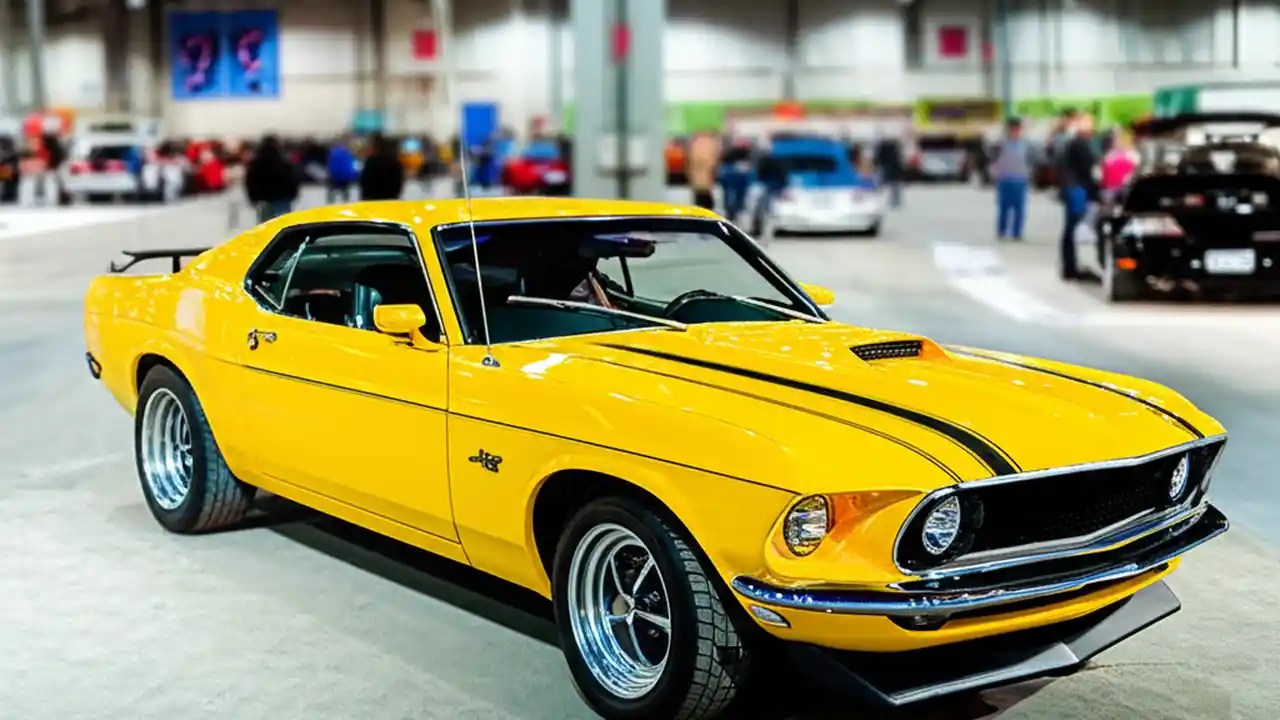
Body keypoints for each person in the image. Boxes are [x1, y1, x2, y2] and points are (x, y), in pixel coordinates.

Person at [1058, 113, 1099, 280]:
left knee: (1071, 229)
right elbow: (1087, 170)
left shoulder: (1074, 144)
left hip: (1073, 190)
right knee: (1073, 229)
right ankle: (1070, 267)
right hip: (1077, 191)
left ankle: (1070, 266)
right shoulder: (1079, 144)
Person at [990, 117, 1034, 242]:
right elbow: (992, 156)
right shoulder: (1000, 143)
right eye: (1013, 129)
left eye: (1018, 129)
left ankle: (1017, 232)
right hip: (1005, 178)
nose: (1015, 131)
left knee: (1019, 208)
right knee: (1004, 207)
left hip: (1020, 178)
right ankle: (1002, 230)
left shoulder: (1026, 144)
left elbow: (1032, 159)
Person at [245, 134, 300, 223]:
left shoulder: (256, 163)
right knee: (283, 224)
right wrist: (292, 194)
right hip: (282, 198)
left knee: (266, 227)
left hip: (264, 200)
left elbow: (250, 181)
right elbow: (292, 179)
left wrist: (253, 198)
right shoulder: (283, 162)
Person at [359, 133, 405, 201]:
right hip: (390, 201)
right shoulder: (395, 162)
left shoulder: (371, 162)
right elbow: (398, 184)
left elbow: (364, 182)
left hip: (372, 202)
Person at [719, 138, 753, 223]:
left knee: (731, 195)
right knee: (737, 196)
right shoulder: (745, 156)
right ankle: (734, 211)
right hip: (737, 179)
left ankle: (732, 212)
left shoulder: (730, 156)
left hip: (733, 179)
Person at [687, 131, 721, 211]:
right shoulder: (709, 145)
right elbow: (713, 165)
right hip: (705, 182)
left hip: (698, 181)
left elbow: (690, 162)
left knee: (700, 201)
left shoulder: (695, 145)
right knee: (707, 203)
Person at [873, 135, 904, 208]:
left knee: (890, 185)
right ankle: (894, 201)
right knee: (894, 186)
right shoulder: (893, 151)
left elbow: (877, 159)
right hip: (892, 171)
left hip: (888, 169)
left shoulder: (883, 150)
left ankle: (891, 200)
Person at [325, 134, 358, 203]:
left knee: (331, 196)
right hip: (345, 178)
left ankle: (330, 207)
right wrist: (353, 176)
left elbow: (330, 166)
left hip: (335, 177)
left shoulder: (333, 153)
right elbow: (350, 166)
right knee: (345, 197)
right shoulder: (347, 153)